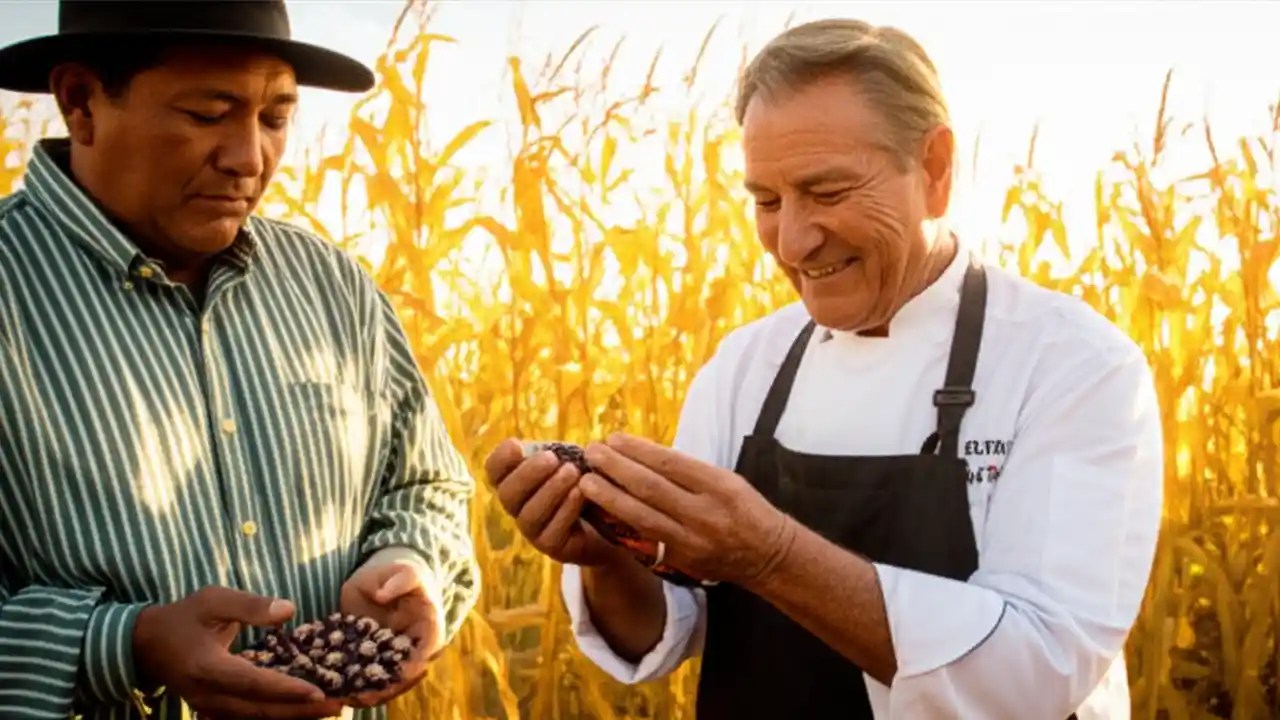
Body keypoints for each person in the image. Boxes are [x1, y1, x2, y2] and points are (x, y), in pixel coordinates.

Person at [483, 18, 1164, 720]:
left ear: (934, 169)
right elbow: (671, 626)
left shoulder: (1074, 366)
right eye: (766, 202)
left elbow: (1035, 673)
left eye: (829, 191)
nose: (795, 241)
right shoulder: (745, 367)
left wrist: (771, 555)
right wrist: (607, 557)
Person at [0, 2, 479, 719]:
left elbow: (425, 484)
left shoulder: (332, 285)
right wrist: (121, 643)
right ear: (80, 101)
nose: (249, 158)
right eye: (206, 114)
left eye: (275, 119)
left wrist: (406, 563)